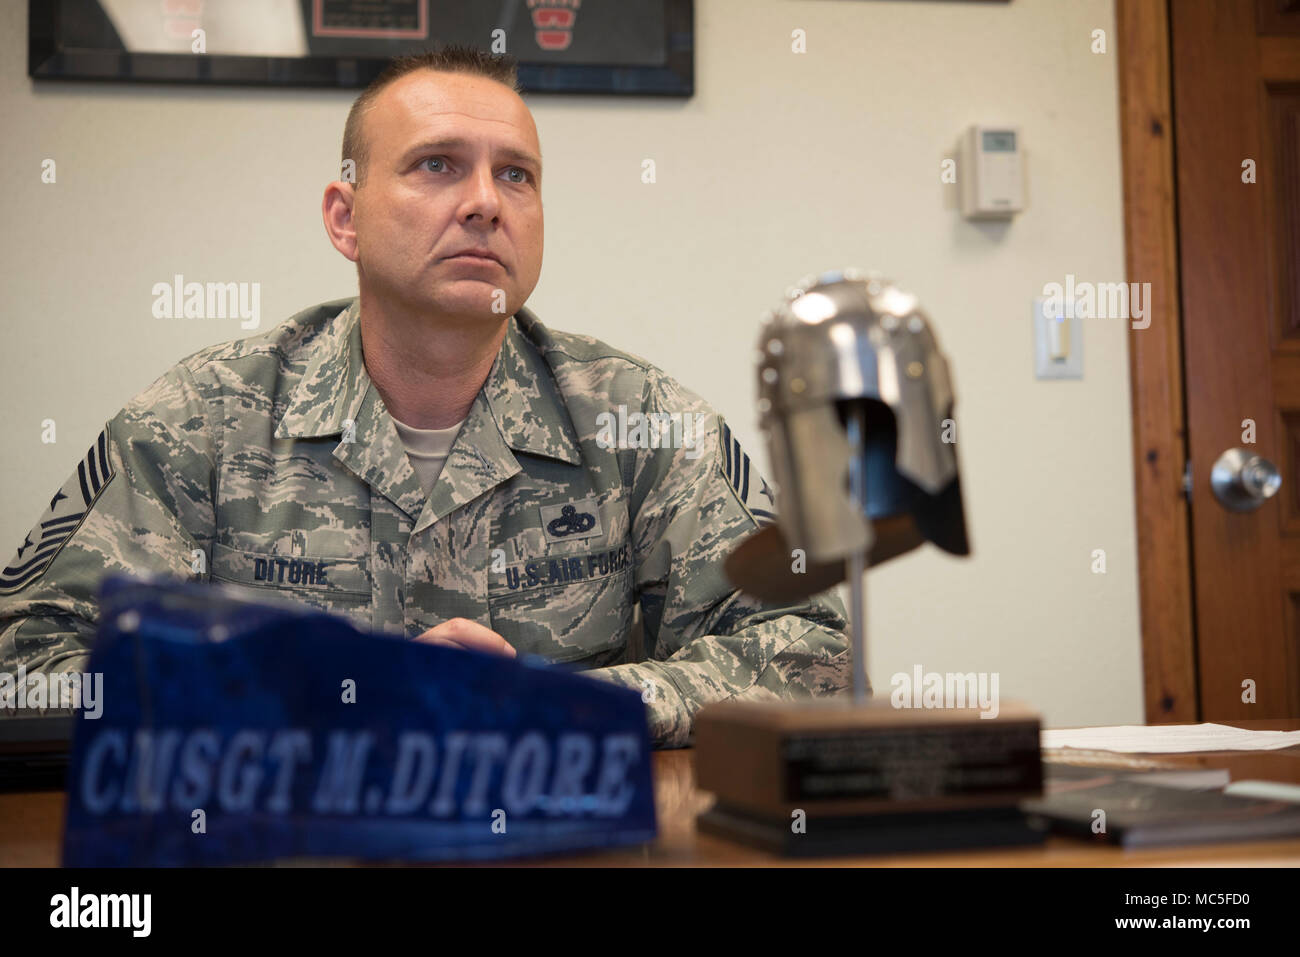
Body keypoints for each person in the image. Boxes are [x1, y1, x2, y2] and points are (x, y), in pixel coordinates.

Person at [0, 46, 851, 748]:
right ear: (347, 218)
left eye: (516, 175)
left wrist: (554, 709)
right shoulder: (202, 421)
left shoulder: (639, 422)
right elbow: (24, 664)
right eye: (437, 165)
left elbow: (816, 655)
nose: (484, 202)